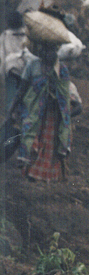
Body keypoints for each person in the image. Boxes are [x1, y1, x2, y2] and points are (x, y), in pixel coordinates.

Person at [8, 41, 72, 182]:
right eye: (47, 50)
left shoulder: (61, 69)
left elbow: (65, 95)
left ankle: (47, 176)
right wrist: (12, 110)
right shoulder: (33, 66)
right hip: (33, 110)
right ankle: (30, 174)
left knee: (49, 144)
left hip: (52, 113)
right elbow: (22, 90)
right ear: (41, 52)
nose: (50, 54)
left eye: (53, 50)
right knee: (32, 140)